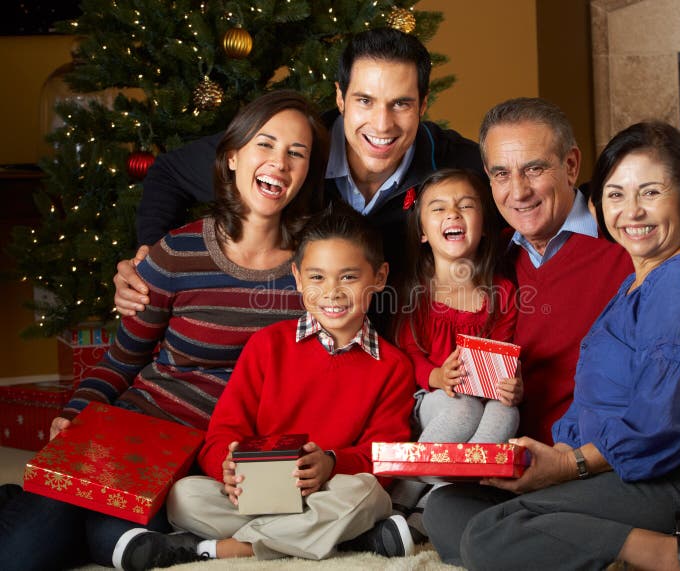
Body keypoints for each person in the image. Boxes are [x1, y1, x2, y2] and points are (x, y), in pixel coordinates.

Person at [0, 89, 328, 571]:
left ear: (307, 173)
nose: (279, 163)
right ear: (232, 156)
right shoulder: (175, 253)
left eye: (296, 153)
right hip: (136, 433)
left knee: (122, 539)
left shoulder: (315, 270)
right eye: (265, 144)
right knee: (22, 553)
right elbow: (120, 360)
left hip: (209, 460)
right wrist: (74, 414)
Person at [424, 120, 680, 570]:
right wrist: (556, 458)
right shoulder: (640, 279)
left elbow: (663, 426)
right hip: (618, 469)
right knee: (447, 508)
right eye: (616, 195)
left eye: (650, 192)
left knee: (489, 535)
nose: (632, 212)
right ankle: (594, 549)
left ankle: (678, 554)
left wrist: (569, 466)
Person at [475, 97, 680, 446]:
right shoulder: (491, 256)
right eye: (501, 174)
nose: (518, 191)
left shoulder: (630, 236)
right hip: (509, 450)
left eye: (534, 169)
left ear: (571, 165)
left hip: (595, 457)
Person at [114, 27, 486, 326]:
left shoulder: (457, 165)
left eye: (401, 104)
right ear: (340, 98)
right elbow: (169, 173)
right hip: (305, 345)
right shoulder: (291, 151)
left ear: (423, 104)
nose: (382, 124)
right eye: (365, 101)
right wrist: (147, 257)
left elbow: (514, 204)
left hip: (413, 352)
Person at [120, 205, 417, 570]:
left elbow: (384, 457)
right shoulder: (267, 345)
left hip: (328, 490)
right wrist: (226, 467)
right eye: (317, 277)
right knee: (184, 495)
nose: (332, 292)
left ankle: (221, 549)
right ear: (298, 278)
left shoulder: (393, 366)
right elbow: (222, 433)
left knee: (368, 494)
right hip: (256, 494)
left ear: (379, 277)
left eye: (349, 277)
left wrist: (331, 463)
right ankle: (339, 537)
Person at [390, 168, 523, 541]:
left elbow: (504, 355)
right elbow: (406, 355)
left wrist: (513, 385)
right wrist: (437, 376)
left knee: (507, 412)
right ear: (422, 232)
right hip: (429, 401)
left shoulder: (502, 292)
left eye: (466, 205)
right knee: (463, 407)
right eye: (439, 208)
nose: (453, 214)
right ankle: (403, 495)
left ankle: (443, 499)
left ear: (484, 226)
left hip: (481, 399)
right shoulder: (414, 289)